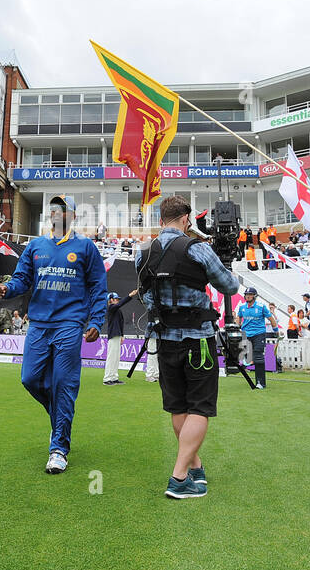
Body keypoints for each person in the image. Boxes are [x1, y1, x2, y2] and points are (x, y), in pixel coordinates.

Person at [0, 194, 106, 474]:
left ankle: (58, 449)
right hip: (39, 324)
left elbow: (98, 287)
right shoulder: (35, 246)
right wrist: (8, 289)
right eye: (53, 208)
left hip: (69, 324)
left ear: (73, 216)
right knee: (29, 378)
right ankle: (59, 419)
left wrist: (96, 320)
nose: (56, 212)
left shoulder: (85, 247)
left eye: (63, 209)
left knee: (63, 384)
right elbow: (22, 279)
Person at [137, 195, 240, 499]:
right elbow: (230, 287)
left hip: (165, 340)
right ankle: (179, 476)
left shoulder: (142, 252)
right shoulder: (198, 249)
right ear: (186, 220)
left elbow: (146, 296)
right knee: (200, 407)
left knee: (178, 406)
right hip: (198, 340)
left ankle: (194, 467)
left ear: (160, 220)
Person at [236, 286, 273, 389]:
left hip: (258, 334)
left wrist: (276, 330)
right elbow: (239, 316)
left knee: (258, 358)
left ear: (254, 296)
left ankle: (260, 383)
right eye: (246, 295)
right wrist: (237, 327)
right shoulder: (242, 307)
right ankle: (248, 360)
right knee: (245, 355)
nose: (248, 296)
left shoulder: (261, 306)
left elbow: (270, 318)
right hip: (245, 334)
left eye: (250, 295)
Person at [102, 290, 137, 385]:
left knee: (116, 357)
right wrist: (129, 296)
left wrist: (122, 335)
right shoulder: (111, 308)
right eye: (116, 299)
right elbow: (119, 305)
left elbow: (121, 323)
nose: (117, 300)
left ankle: (114, 377)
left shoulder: (117, 310)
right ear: (111, 300)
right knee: (111, 357)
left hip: (117, 335)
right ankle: (107, 378)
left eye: (118, 299)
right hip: (113, 335)